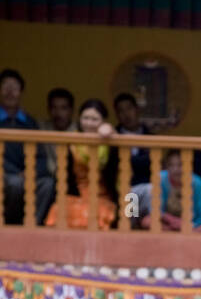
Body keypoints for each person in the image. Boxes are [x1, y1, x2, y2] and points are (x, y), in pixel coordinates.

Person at [44, 99, 118, 230]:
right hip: (77, 195)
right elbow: (63, 176)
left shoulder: (110, 142)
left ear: (103, 121)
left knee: (97, 212)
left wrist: (108, 132)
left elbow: (119, 176)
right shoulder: (72, 141)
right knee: (60, 209)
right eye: (85, 118)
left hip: (104, 196)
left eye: (95, 119)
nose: (89, 123)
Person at [0, 67, 54, 224]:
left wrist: (29, 171)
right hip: (5, 175)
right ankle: (10, 224)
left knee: (48, 184)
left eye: (14, 87)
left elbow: (42, 157)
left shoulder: (30, 122)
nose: (10, 92)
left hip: (25, 175)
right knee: (15, 184)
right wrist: (14, 173)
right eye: (5, 86)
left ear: (21, 92)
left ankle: (32, 224)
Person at [139, 148, 201, 231]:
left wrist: (190, 225)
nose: (175, 170)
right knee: (147, 221)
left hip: (192, 225)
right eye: (171, 165)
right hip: (167, 225)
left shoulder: (197, 182)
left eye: (180, 165)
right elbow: (155, 210)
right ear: (166, 166)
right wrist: (172, 220)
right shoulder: (160, 178)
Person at [113, 92, 151, 189]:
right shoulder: (113, 136)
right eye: (121, 111)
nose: (126, 114)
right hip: (121, 189)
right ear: (117, 115)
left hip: (146, 188)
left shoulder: (150, 136)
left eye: (129, 108)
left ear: (137, 110)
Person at [41, 87, 76, 182]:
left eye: (63, 108)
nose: (58, 113)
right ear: (48, 109)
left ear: (71, 110)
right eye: (54, 108)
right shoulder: (40, 128)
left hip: (72, 181)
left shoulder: (79, 131)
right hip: (47, 179)